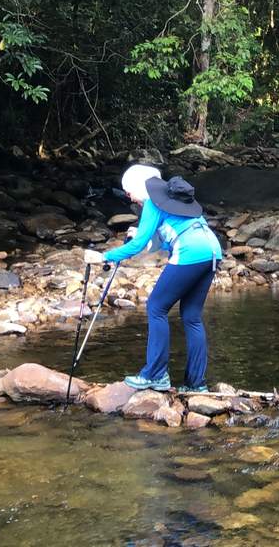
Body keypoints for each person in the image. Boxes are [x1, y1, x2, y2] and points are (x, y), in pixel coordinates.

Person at [86, 164, 222, 393]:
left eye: (129, 191)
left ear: (138, 186)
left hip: (189, 252)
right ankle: (196, 384)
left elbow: (137, 246)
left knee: (156, 307)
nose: (129, 196)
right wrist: (140, 235)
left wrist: (103, 256)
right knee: (191, 317)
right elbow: (163, 239)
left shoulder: (151, 202)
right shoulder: (171, 197)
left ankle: (155, 375)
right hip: (212, 252)